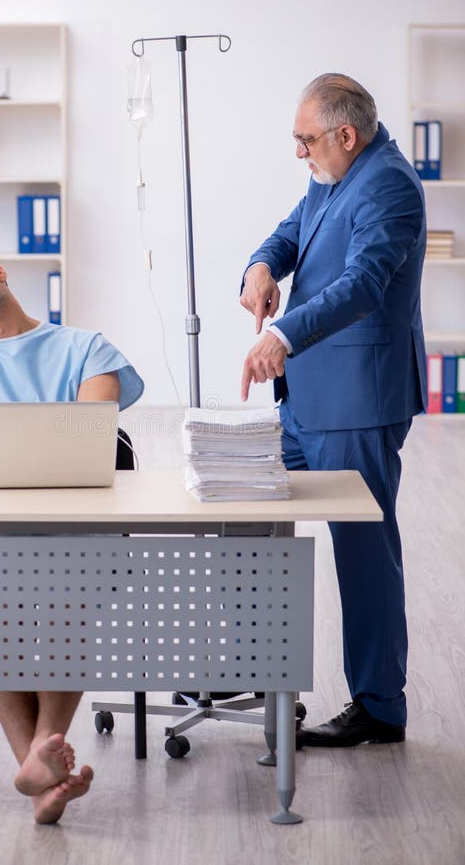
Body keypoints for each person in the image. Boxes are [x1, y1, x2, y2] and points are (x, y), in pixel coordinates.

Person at [0, 242, 144, 822]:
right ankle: (41, 771)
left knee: (67, 604)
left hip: (74, 522)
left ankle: (41, 767)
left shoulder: (84, 346)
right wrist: (6, 472)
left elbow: (94, 432)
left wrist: (30, 477)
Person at [240, 74, 426, 747]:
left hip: (357, 398)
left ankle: (378, 707)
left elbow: (361, 285)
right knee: (240, 507)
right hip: (307, 397)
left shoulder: (388, 185)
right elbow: (289, 236)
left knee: (361, 553)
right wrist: (260, 268)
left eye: (305, 140)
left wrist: (282, 334)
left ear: (343, 135)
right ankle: (243, 666)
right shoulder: (334, 172)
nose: (300, 153)